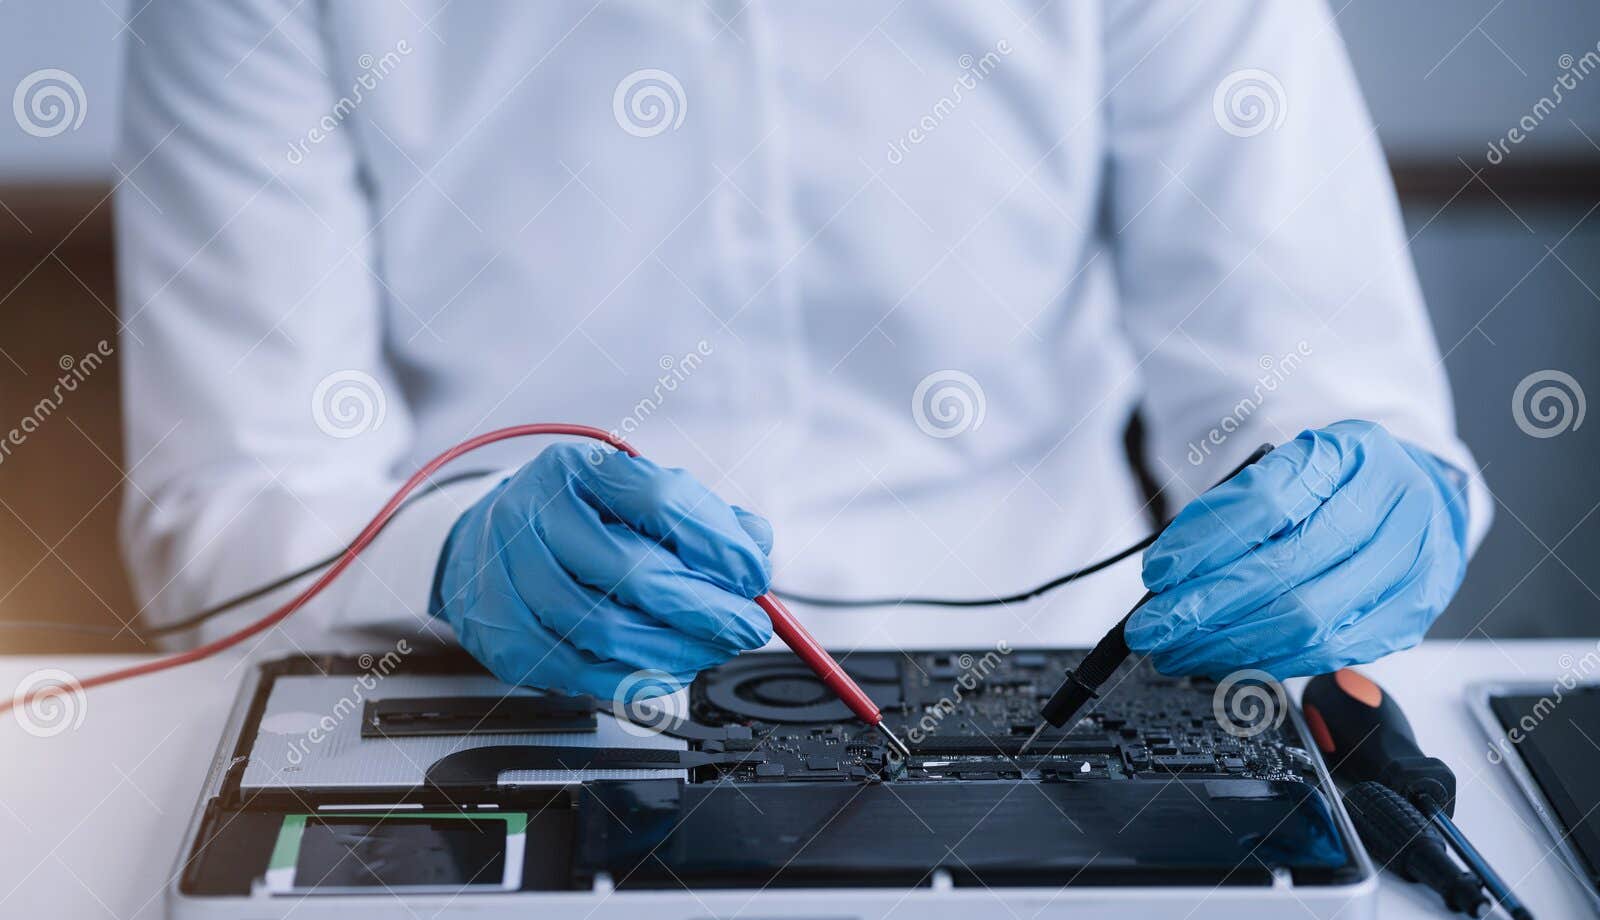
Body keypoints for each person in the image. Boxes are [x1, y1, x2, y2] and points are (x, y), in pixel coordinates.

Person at [115, 0, 1488, 702]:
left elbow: (1316, 392)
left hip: (1060, 699)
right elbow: (226, 513)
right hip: (509, 710)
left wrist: (1363, 496)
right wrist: (454, 571)